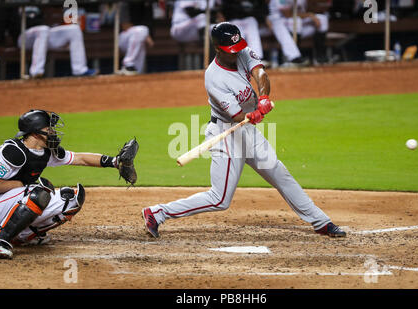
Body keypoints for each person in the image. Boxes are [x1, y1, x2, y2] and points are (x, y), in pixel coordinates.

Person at [141, 22, 346, 239]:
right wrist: (255, 114)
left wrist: (264, 97)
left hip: (246, 131)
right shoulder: (214, 78)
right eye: (231, 50)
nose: (237, 52)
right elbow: (237, 116)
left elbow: (261, 75)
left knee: (278, 171)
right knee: (220, 199)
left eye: (238, 47)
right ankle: (157, 213)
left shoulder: (242, 51)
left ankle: (321, 221)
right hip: (227, 133)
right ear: (218, 49)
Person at [0, 110, 138, 259]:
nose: (53, 132)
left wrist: (115, 162)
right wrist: (19, 185)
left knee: (70, 199)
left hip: (10, 204)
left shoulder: (45, 152)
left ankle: (22, 235)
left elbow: (80, 158)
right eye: (48, 129)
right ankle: (0, 240)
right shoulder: (12, 152)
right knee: (38, 193)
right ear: (36, 133)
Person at [18, 6, 97, 78]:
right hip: (23, 37)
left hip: (44, 34)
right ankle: (36, 72)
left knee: (74, 29)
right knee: (42, 30)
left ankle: (80, 70)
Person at [274, 0, 330, 64]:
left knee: (322, 19)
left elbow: (310, 9)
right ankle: (295, 57)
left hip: (302, 24)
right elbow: (287, 14)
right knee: (297, 21)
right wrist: (309, 15)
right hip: (284, 24)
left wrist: (311, 13)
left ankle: (320, 56)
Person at [216, 0, 269, 65]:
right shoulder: (228, 3)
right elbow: (221, 11)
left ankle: (257, 59)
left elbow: (262, 10)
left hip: (249, 20)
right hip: (233, 21)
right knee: (238, 37)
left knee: (252, 22)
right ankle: (235, 62)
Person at [266, 0, 310, 67]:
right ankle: (293, 58)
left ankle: (294, 57)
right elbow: (287, 14)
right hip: (272, 22)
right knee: (282, 26)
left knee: (296, 22)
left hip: (284, 21)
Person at [117, 2, 155, 75]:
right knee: (141, 30)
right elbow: (124, 26)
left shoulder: (147, 5)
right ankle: (127, 64)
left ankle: (132, 70)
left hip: (140, 41)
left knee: (137, 72)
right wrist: (145, 34)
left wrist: (145, 35)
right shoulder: (125, 3)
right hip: (124, 39)